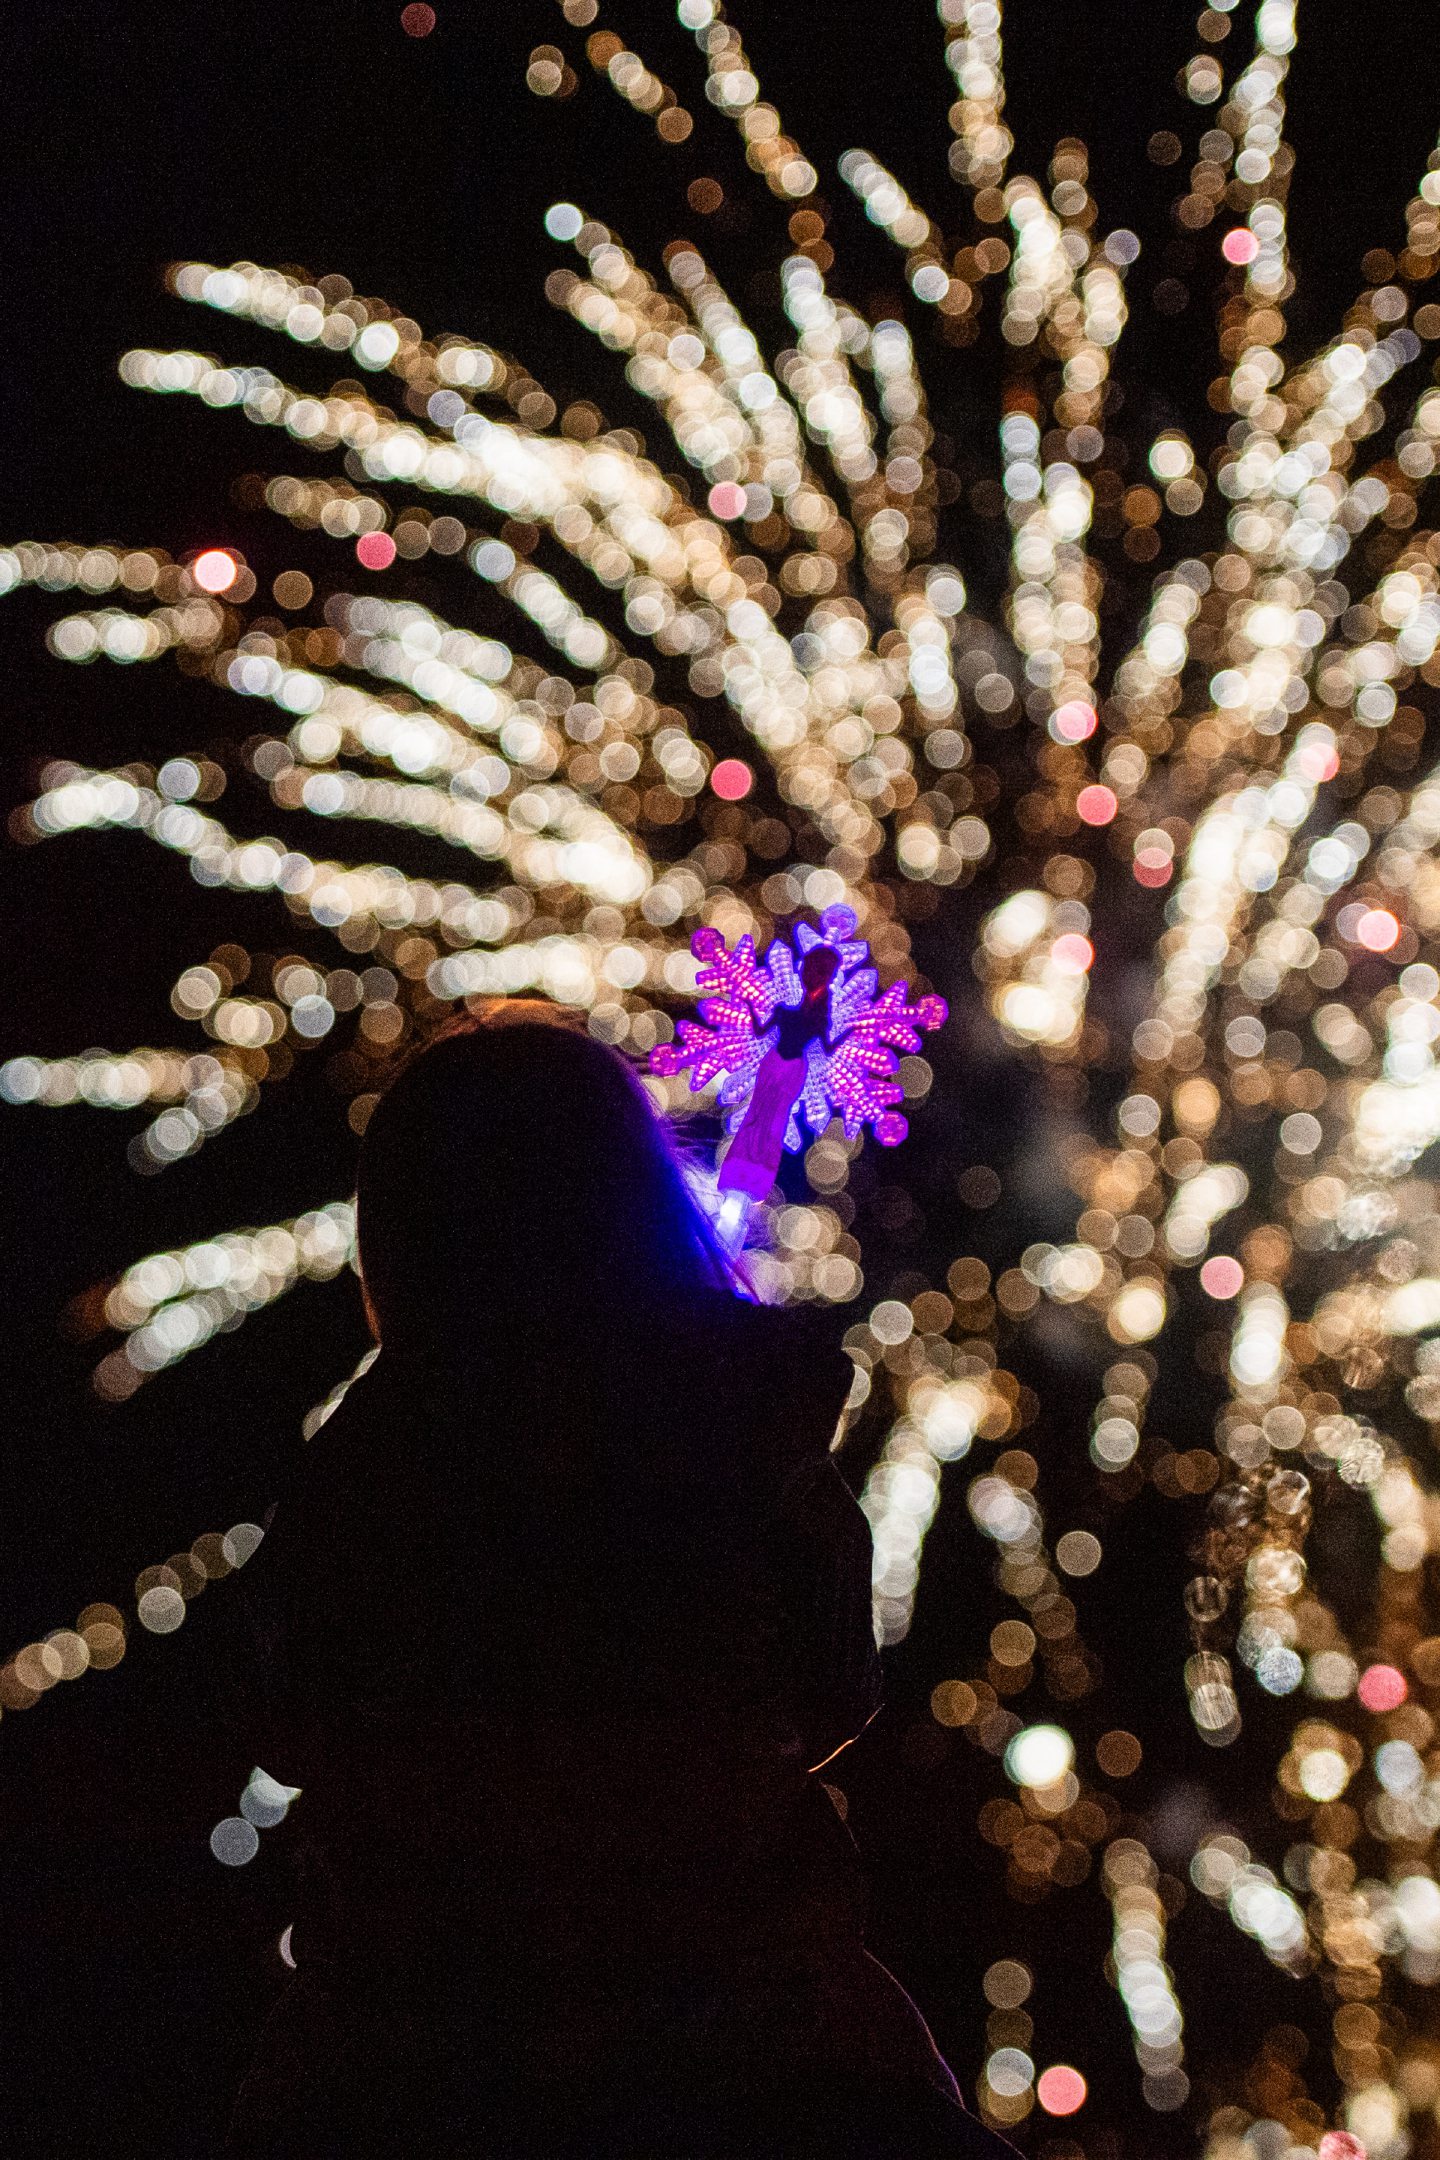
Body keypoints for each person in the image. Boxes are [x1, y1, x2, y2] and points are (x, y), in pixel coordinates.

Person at [227, 1003, 1019, 2158]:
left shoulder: (363, 1474)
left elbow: (285, 1715)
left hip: (420, 2045)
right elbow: (837, 1688)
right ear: (640, 1198)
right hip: (747, 2030)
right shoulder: (746, 1436)